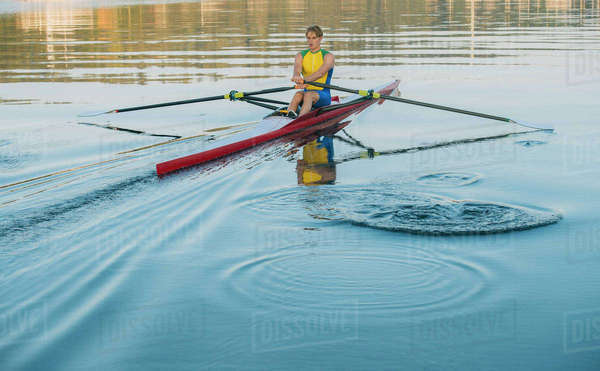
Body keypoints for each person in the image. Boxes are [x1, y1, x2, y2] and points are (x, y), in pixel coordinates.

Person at [286, 25, 334, 118]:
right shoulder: (300, 55)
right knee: (298, 95)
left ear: (320, 38)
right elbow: (297, 68)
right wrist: (296, 76)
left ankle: (300, 120)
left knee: (308, 95)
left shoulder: (328, 56)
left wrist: (304, 80)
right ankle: (288, 117)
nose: (310, 41)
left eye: (314, 38)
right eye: (308, 38)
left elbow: (320, 73)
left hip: (323, 95)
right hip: (307, 92)